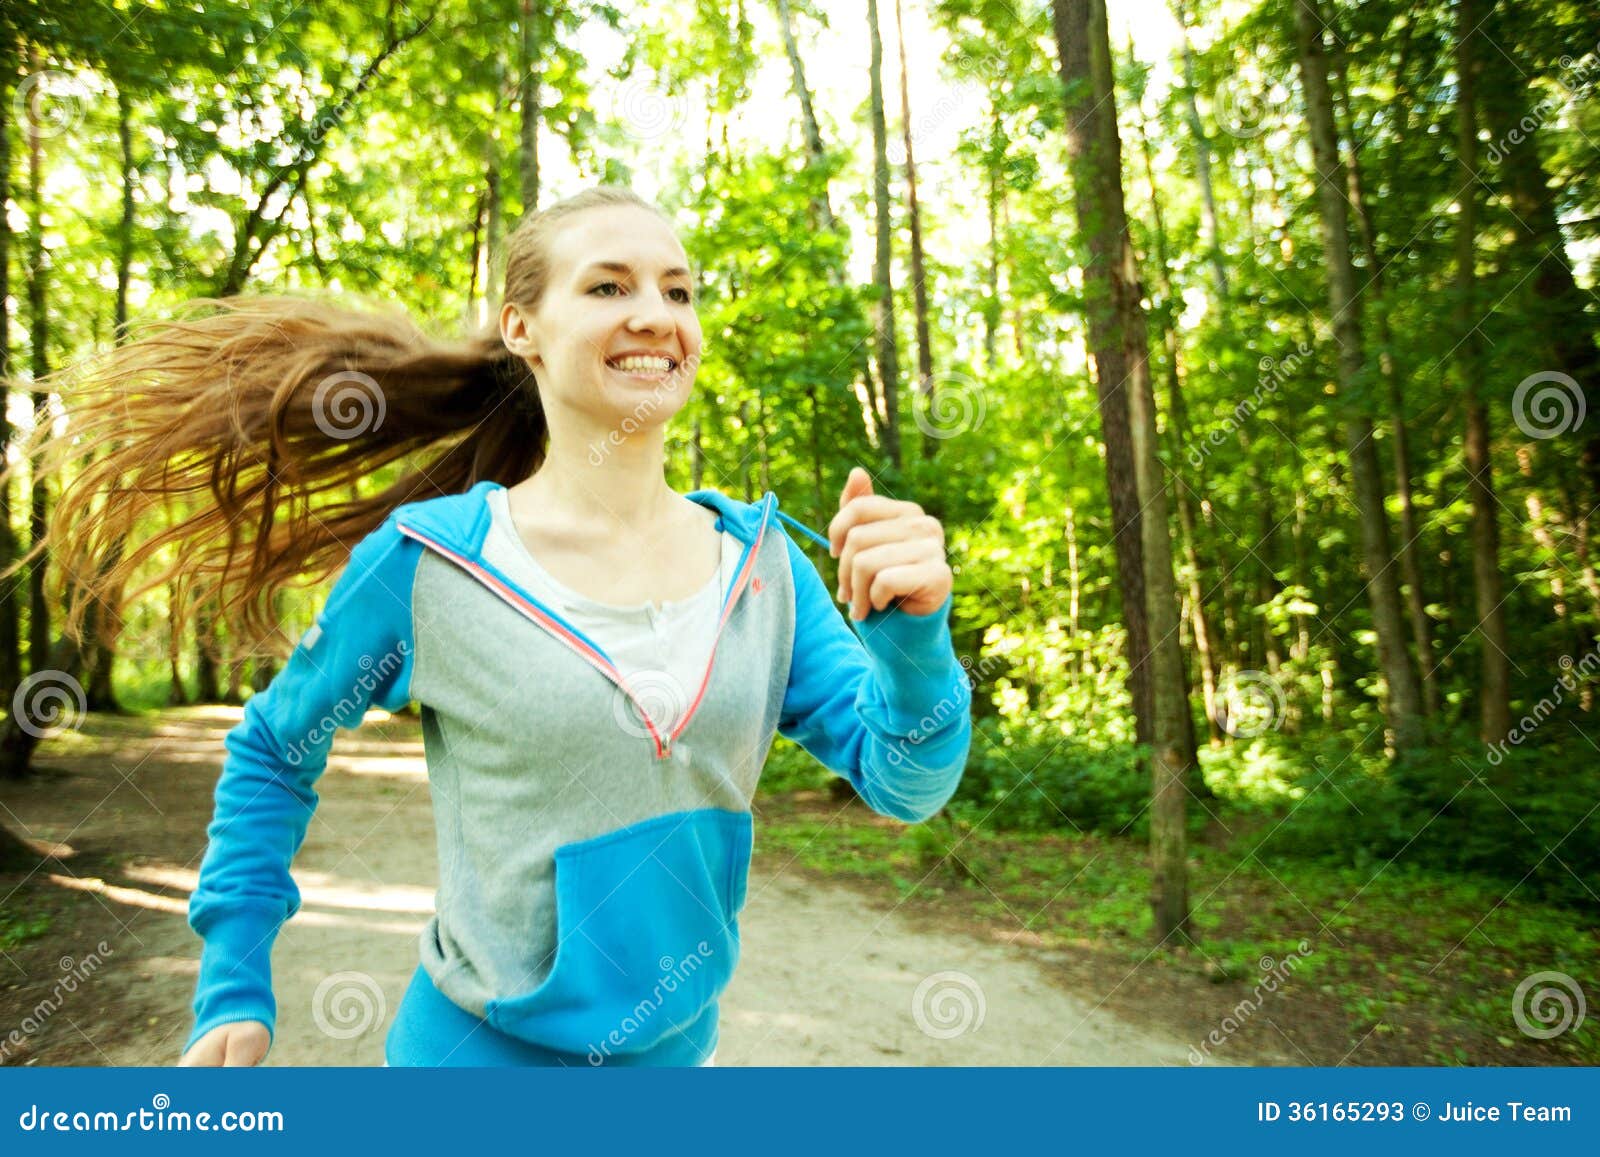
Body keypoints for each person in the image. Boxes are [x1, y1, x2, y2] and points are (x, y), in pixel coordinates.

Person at [14, 185, 971, 1067]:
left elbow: (905, 780)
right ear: (524, 328)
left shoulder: (763, 570)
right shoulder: (433, 564)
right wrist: (233, 974)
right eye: (608, 285)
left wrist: (916, 640)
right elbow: (273, 747)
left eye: (678, 291)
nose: (656, 315)